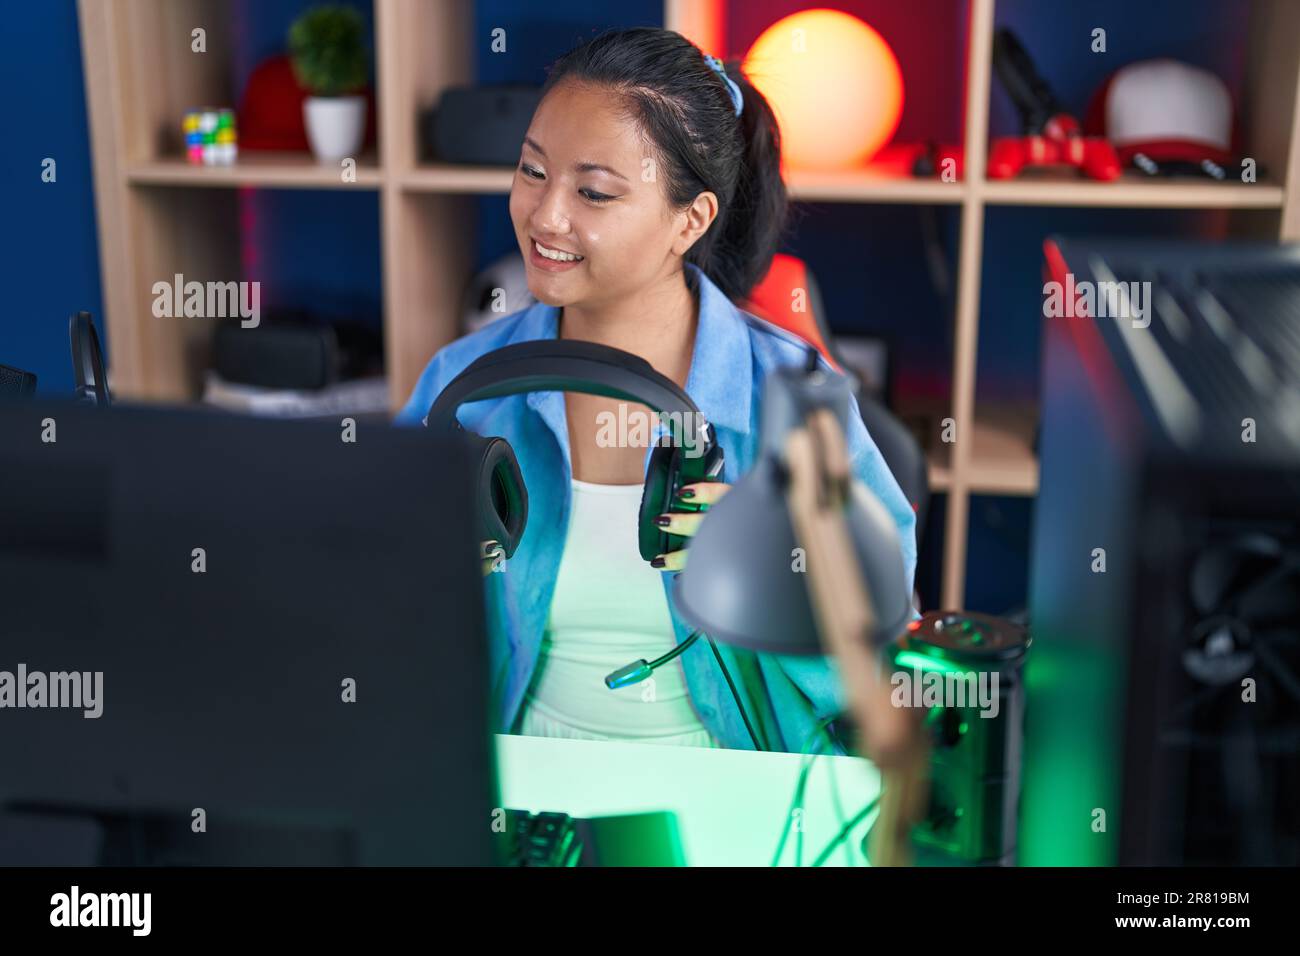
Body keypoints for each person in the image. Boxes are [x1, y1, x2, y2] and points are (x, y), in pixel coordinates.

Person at [397, 27, 917, 752]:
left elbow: (883, 676)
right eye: (532, 171)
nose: (546, 217)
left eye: (595, 192)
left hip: (730, 805)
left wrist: (783, 574)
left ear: (690, 220)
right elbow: (382, 616)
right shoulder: (464, 387)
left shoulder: (794, 401)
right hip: (519, 805)